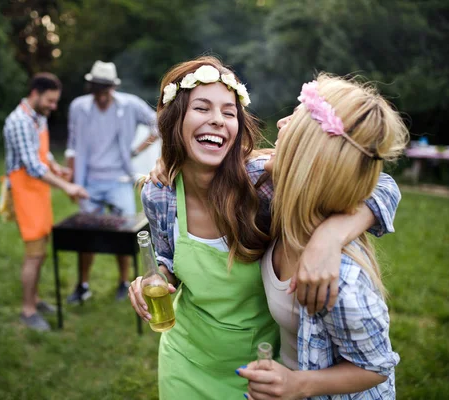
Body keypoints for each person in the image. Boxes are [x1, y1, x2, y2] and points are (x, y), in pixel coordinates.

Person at [128, 56, 401, 399]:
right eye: (202, 108)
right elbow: (168, 256)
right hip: (186, 361)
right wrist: (160, 280)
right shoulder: (159, 192)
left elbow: (378, 183)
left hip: (260, 369)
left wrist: (331, 238)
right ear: (174, 120)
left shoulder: (263, 180)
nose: (217, 120)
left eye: (229, 112)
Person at [237, 75, 407, 399]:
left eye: (295, 120)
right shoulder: (275, 198)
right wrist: (170, 163)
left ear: (308, 157)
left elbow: (376, 366)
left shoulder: (342, 281)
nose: (282, 122)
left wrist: (296, 385)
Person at [65, 60, 159, 303]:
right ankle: (83, 285)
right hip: (90, 181)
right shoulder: (79, 107)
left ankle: (123, 282)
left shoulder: (129, 105)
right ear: (92, 87)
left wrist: (137, 150)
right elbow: (73, 145)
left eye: (107, 88)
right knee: (86, 236)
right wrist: (72, 181)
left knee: (123, 235)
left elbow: (158, 123)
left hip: (119, 180)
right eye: (99, 88)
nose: (103, 94)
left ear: (113, 87)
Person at [3, 72, 89, 331]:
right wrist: (67, 186)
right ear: (36, 93)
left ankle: (35, 298)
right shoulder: (19, 121)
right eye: (50, 101)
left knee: (40, 253)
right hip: (25, 191)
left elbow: (42, 154)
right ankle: (27, 310)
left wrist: (56, 166)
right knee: (34, 254)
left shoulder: (37, 117)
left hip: (39, 192)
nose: (53, 106)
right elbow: (31, 166)